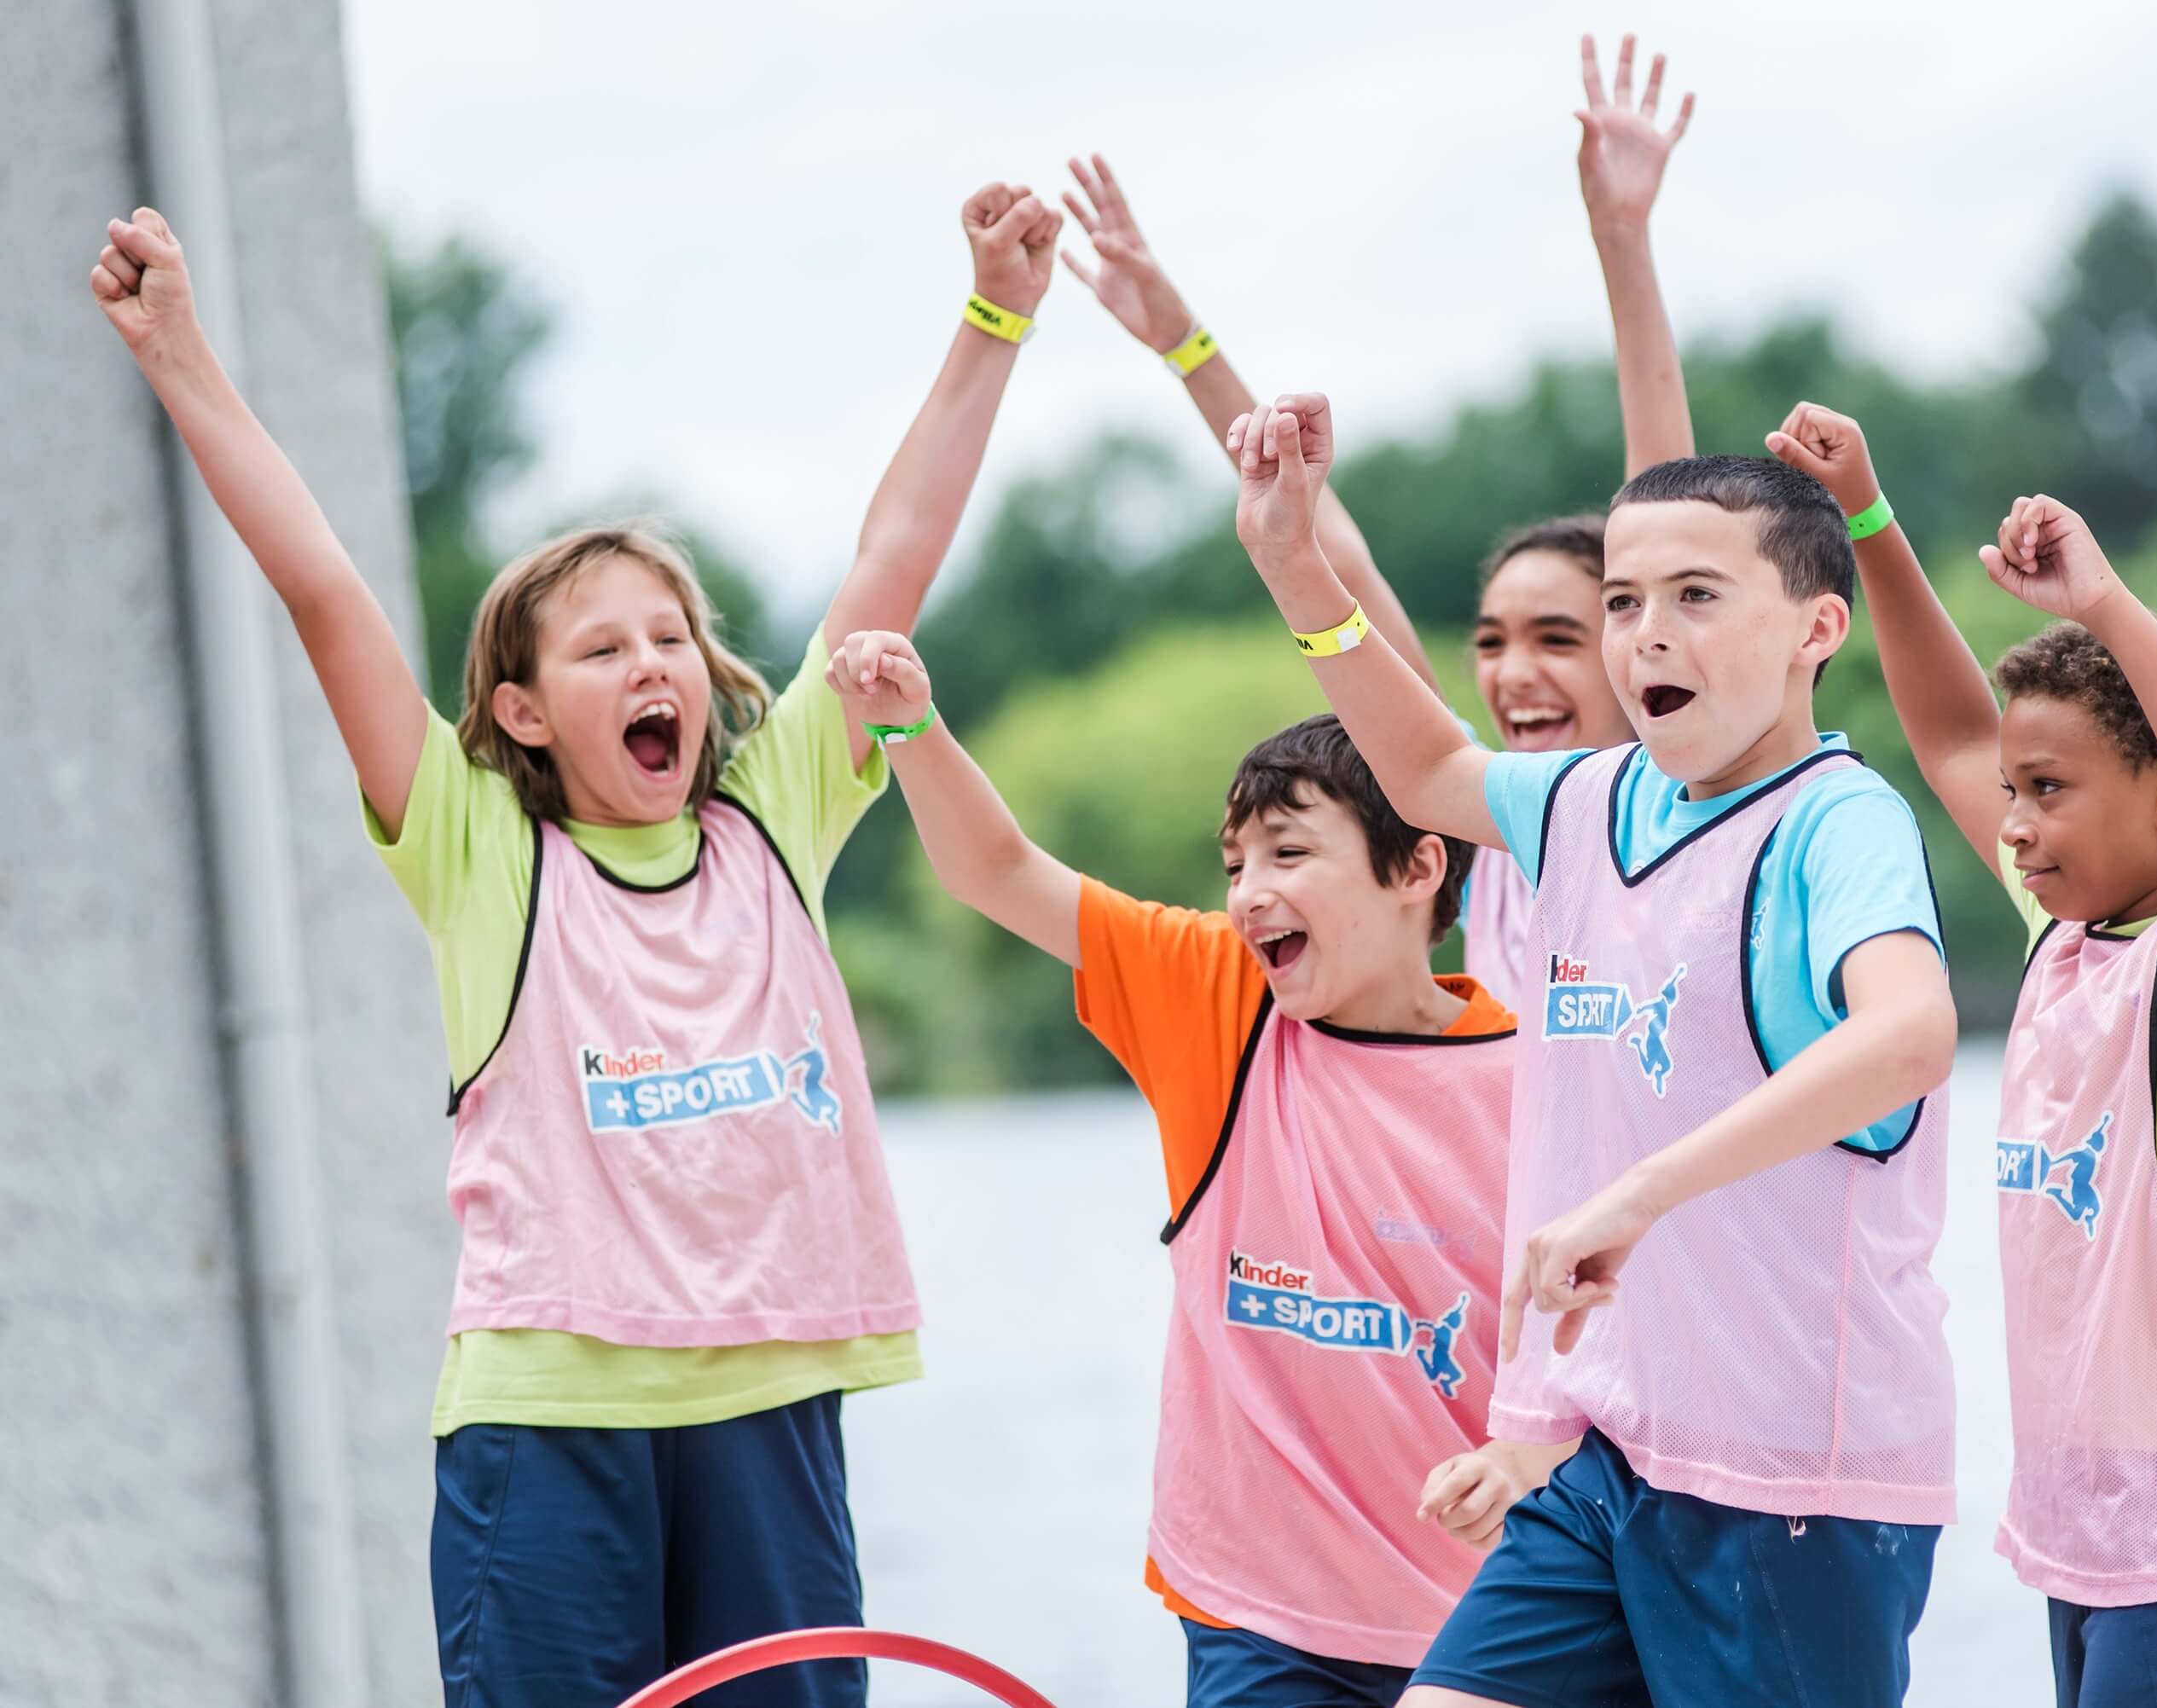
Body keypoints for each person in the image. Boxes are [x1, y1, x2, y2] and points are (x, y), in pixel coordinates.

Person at [88, 182, 1064, 1706]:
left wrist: (996, 314)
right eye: (604, 648)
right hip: (548, 1416)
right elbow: (327, 590)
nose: (652, 663)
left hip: (772, 1405)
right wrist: (181, 355)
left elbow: (897, 544)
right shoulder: (483, 852)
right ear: (528, 710)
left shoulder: (774, 815)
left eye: (669, 636)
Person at [1227, 391, 1959, 1707]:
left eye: (1694, 596)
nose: (1646, 634)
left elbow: (1909, 1033)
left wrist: (1638, 1194)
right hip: (1609, 1462)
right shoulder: (1585, 801)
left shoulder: (1840, 823)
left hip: (1792, 1486)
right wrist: (1294, 560)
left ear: (1815, 629)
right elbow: (1429, 766)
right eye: (1623, 601)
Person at [1765, 403, 2157, 1708]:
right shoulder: (2065, 928)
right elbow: (1947, 735)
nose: (2017, 816)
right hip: (2090, 1516)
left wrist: (2107, 609)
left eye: (2052, 788)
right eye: (2021, 789)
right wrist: (1868, 516)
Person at [824, 630, 1516, 1708]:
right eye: (1235, 864)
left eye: (1290, 854)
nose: (1248, 894)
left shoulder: (1543, 1073)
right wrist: (912, 725)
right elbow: (998, 870)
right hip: (1259, 1611)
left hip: (1489, 1616)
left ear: (1419, 865)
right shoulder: (1218, 995)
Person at [1052, 30, 1694, 1021]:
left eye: (1557, 636)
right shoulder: (1478, 826)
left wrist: (1622, 239)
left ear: (1633, 639)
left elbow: (1665, 497)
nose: (1513, 670)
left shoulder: (1673, 798)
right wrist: (1183, 341)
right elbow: (1331, 551)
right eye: (1492, 641)